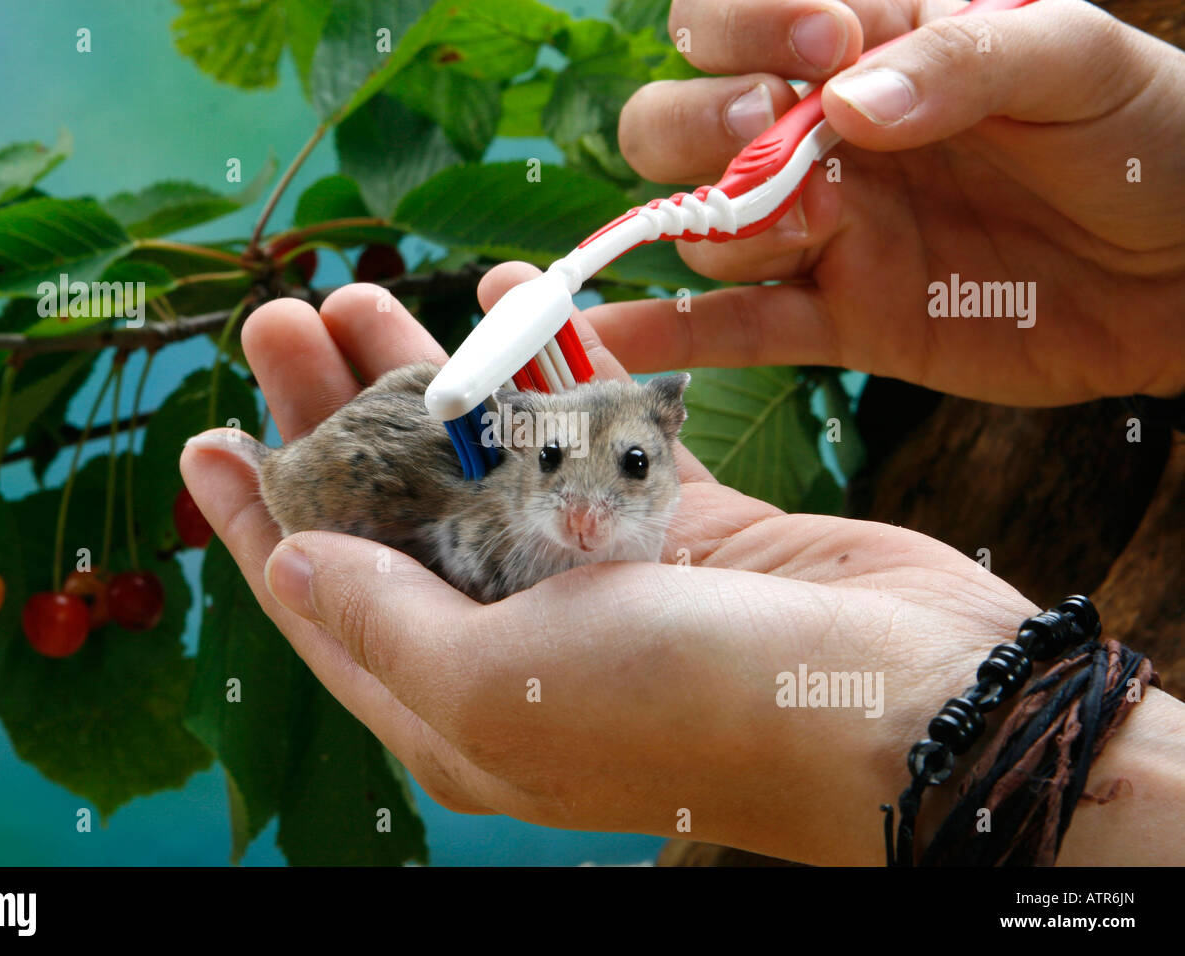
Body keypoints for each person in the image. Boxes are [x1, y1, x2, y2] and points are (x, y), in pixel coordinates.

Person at [181, 0, 1185, 865]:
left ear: (665, 434)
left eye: (625, 468)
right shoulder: (497, 484)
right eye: (552, 470)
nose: (584, 513)